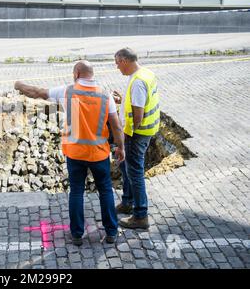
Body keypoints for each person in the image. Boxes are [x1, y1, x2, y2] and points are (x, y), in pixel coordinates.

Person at [14, 60, 125, 245]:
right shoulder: (106, 95)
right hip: (99, 154)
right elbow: (116, 126)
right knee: (105, 190)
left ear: (76, 74)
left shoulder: (68, 91)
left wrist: (18, 84)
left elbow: (38, 92)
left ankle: (76, 234)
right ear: (92, 74)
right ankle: (111, 232)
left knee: (76, 192)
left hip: (75, 153)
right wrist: (121, 147)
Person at [113, 48, 160, 229]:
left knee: (135, 173)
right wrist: (123, 100)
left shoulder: (138, 82)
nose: (117, 67)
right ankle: (127, 202)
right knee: (126, 166)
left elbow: (138, 116)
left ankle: (140, 215)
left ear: (125, 60)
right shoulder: (145, 74)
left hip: (136, 135)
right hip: (144, 132)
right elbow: (139, 102)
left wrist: (125, 136)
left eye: (118, 63)